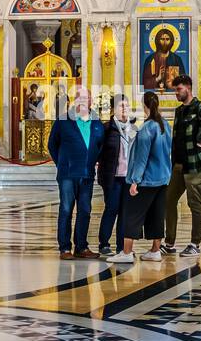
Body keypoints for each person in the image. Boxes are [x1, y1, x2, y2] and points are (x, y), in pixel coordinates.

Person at [109, 91, 172, 266]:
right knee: (157, 215)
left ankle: (127, 252)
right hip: (163, 178)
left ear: (144, 106)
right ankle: (155, 250)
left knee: (133, 214)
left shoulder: (146, 128)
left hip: (147, 180)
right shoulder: (165, 125)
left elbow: (141, 157)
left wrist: (135, 180)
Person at [47, 86, 105, 260]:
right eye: (80, 97)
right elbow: (52, 145)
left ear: (91, 101)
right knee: (66, 209)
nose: (83, 101)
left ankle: (81, 246)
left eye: (86, 98)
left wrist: (93, 159)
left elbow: (100, 145)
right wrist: (62, 163)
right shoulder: (63, 120)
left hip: (87, 174)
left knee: (85, 210)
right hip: (67, 174)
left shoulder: (96, 122)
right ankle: (65, 248)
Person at [164, 74, 201, 257]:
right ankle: (169, 242)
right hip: (179, 164)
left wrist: (200, 137)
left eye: (178, 89)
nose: (176, 93)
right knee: (169, 200)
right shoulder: (179, 111)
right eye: (175, 90)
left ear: (188, 87)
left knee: (194, 203)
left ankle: (195, 243)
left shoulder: (200, 107)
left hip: (194, 164)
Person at [96, 95, 136, 257]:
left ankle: (121, 246)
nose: (125, 108)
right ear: (113, 109)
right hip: (112, 176)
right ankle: (104, 243)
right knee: (111, 209)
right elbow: (99, 151)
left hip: (128, 177)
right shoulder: (107, 129)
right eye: (121, 106)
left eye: (127, 105)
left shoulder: (133, 129)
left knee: (125, 212)